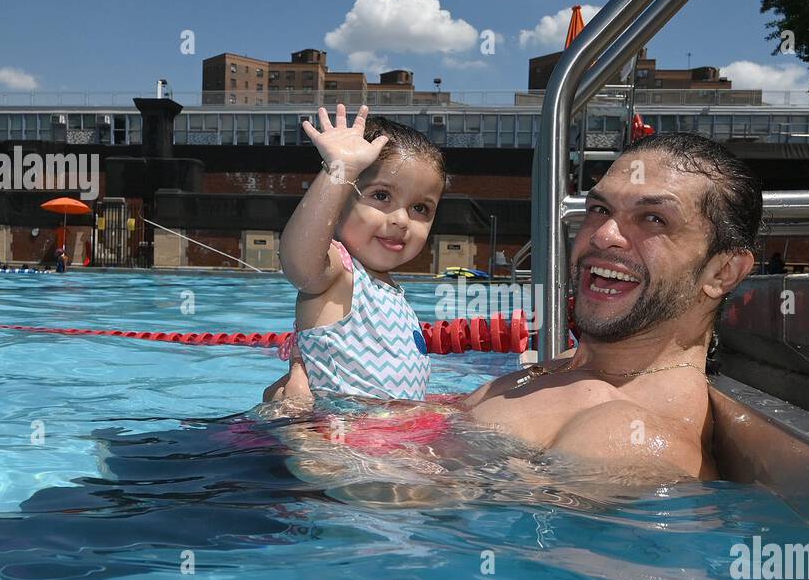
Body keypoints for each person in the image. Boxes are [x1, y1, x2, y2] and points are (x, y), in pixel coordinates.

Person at [265, 132, 760, 481]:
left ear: (723, 272)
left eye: (652, 218)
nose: (604, 236)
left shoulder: (623, 433)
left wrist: (302, 439)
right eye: (599, 210)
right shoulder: (565, 373)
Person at [273, 104, 446, 401]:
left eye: (420, 208)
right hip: (333, 440)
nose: (401, 220)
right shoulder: (338, 272)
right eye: (381, 196)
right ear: (338, 204)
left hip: (379, 439)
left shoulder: (391, 292)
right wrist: (340, 169)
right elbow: (298, 263)